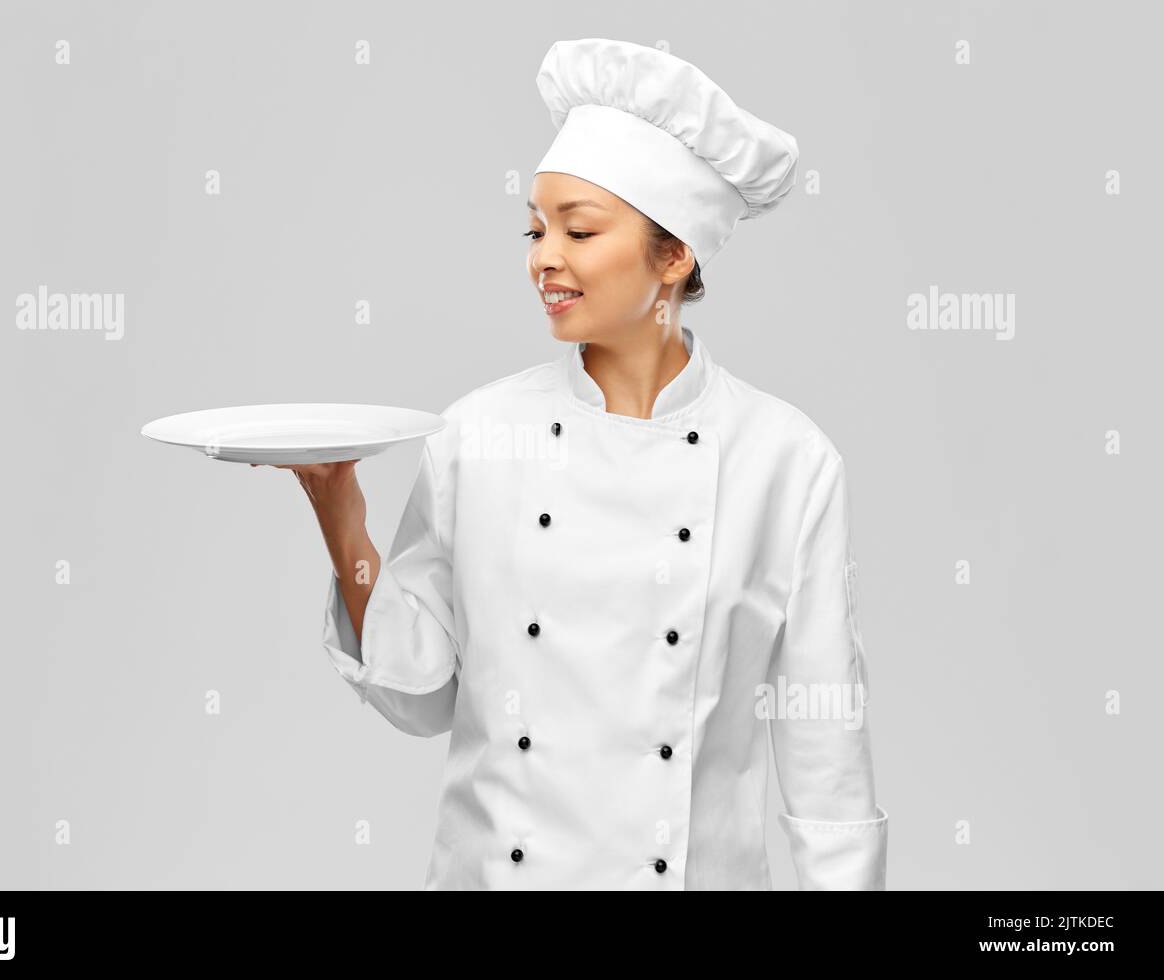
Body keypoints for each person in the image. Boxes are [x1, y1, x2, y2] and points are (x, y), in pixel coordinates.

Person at [262, 38, 889, 889]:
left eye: (580, 230)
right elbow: (419, 696)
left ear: (676, 258)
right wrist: (340, 511)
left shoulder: (785, 461)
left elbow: (825, 754)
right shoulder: (479, 432)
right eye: (535, 227)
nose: (542, 256)